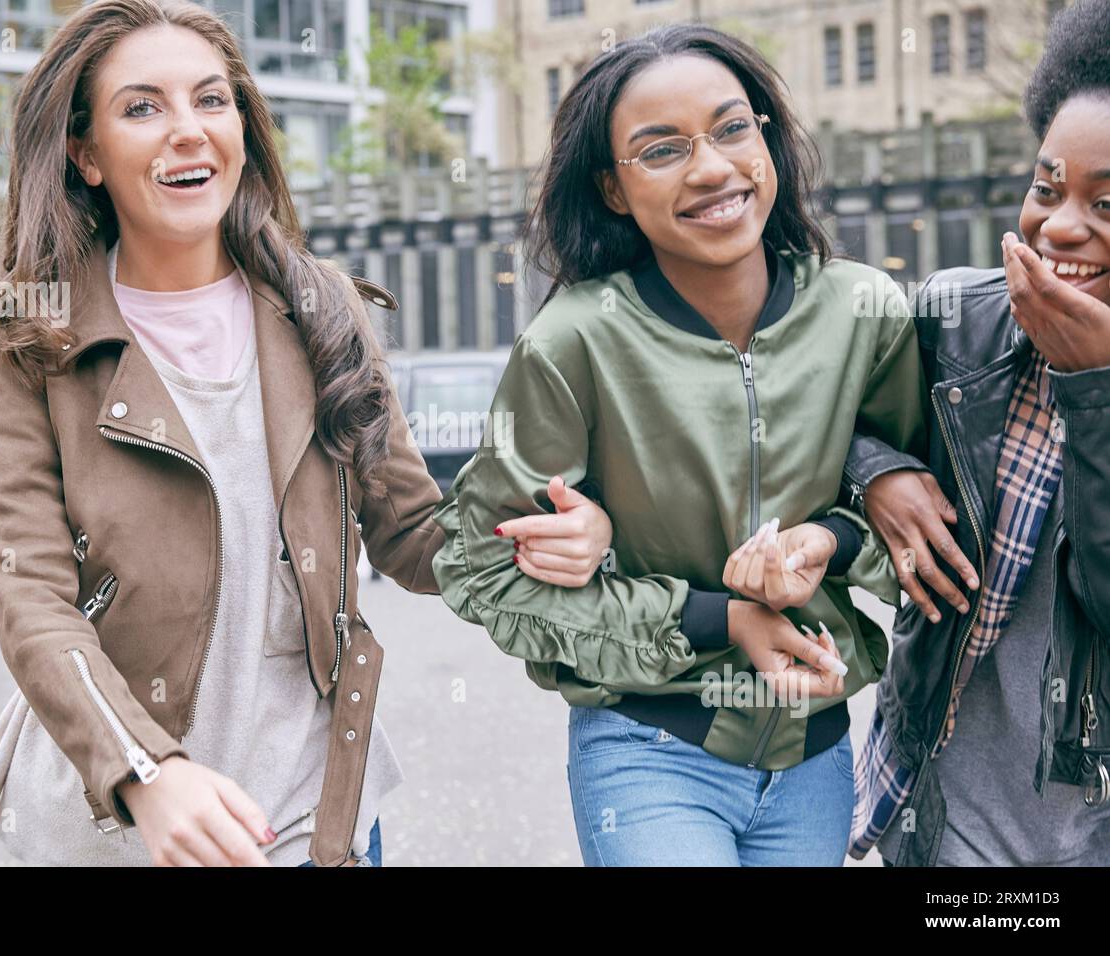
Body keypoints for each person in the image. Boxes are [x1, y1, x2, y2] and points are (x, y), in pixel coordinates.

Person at [0, 0, 613, 868]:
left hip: (307, 812)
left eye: (212, 101)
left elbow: (412, 533)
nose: (188, 131)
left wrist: (557, 531)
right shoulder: (32, 332)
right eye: (143, 108)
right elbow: (31, 596)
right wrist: (146, 770)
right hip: (113, 818)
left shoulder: (321, 305)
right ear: (85, 153)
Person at [431, 23, 928, 866]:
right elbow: (480, 573)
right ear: (614, 191)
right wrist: (719, 618)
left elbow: (920, 502)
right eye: (661, 151)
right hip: (649, 751)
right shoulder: (574, 343)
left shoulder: (866, 312)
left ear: (767, 136)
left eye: (734, 128)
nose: (710, 168)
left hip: (816, 756)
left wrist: (829, 539)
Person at [846, 0, 1110, 867]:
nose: (1060, 227)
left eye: (1107, 205)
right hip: (947, 811)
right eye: (1047, 187)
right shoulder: (954, 319)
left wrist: (1091, 388)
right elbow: (820, 415)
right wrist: (877, 470)